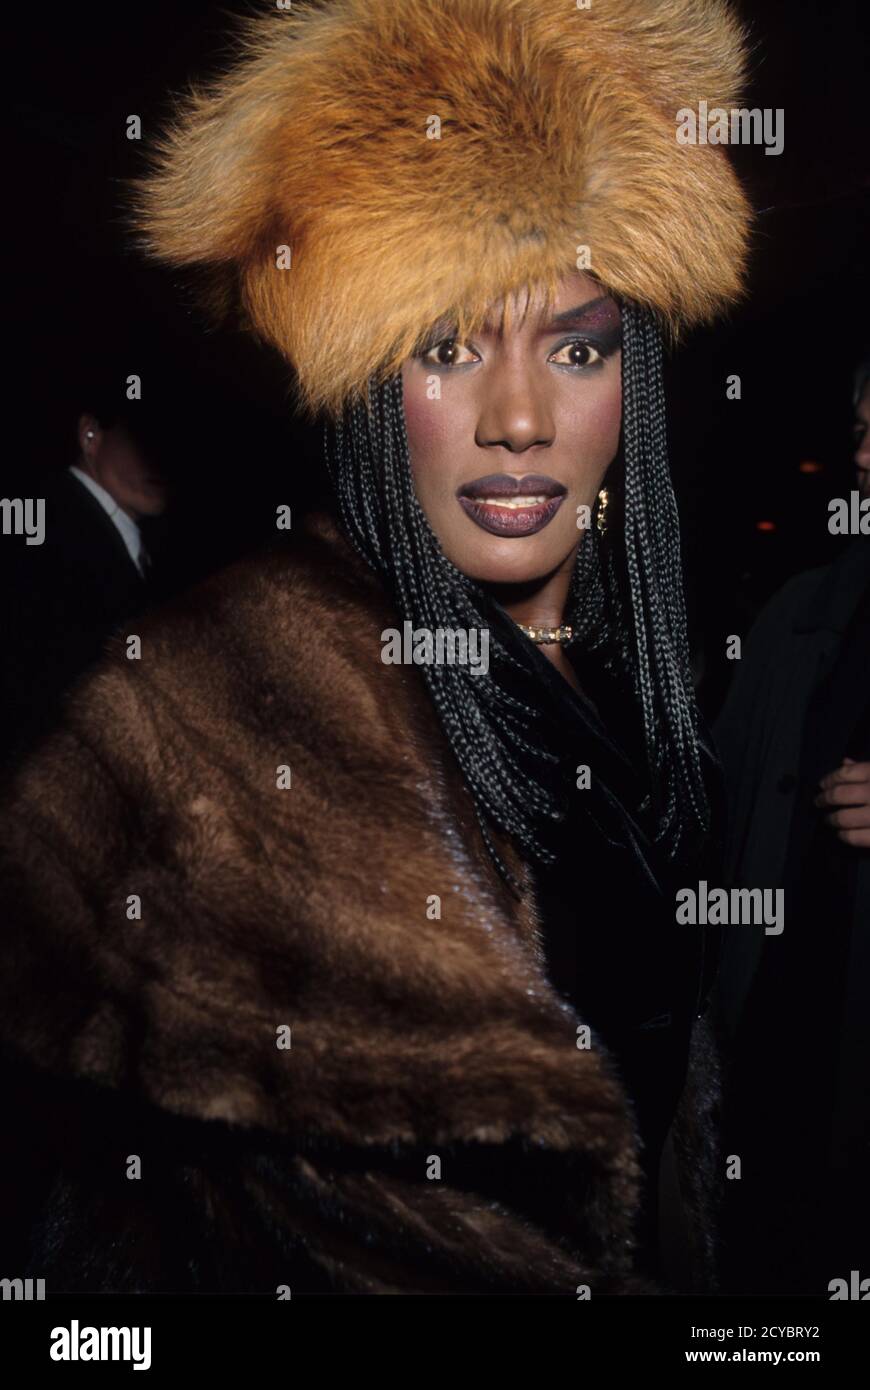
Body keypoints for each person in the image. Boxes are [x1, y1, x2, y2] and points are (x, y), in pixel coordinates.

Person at [0, 0, 752, 1294]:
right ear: (361, 384)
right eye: (444, 346)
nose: (518, 417)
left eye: (575, 345)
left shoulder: (637, 700)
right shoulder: (202, 717)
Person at [714, 362, 870, 1294]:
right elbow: (707, 797)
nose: (862, 454)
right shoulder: (799, 613)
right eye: (859, 425)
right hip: (774, 1058)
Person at [0, 396, 169, 768]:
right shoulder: (41, 528)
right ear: (90, 435)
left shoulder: (135, 550)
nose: (159, 457)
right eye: (137, 435)